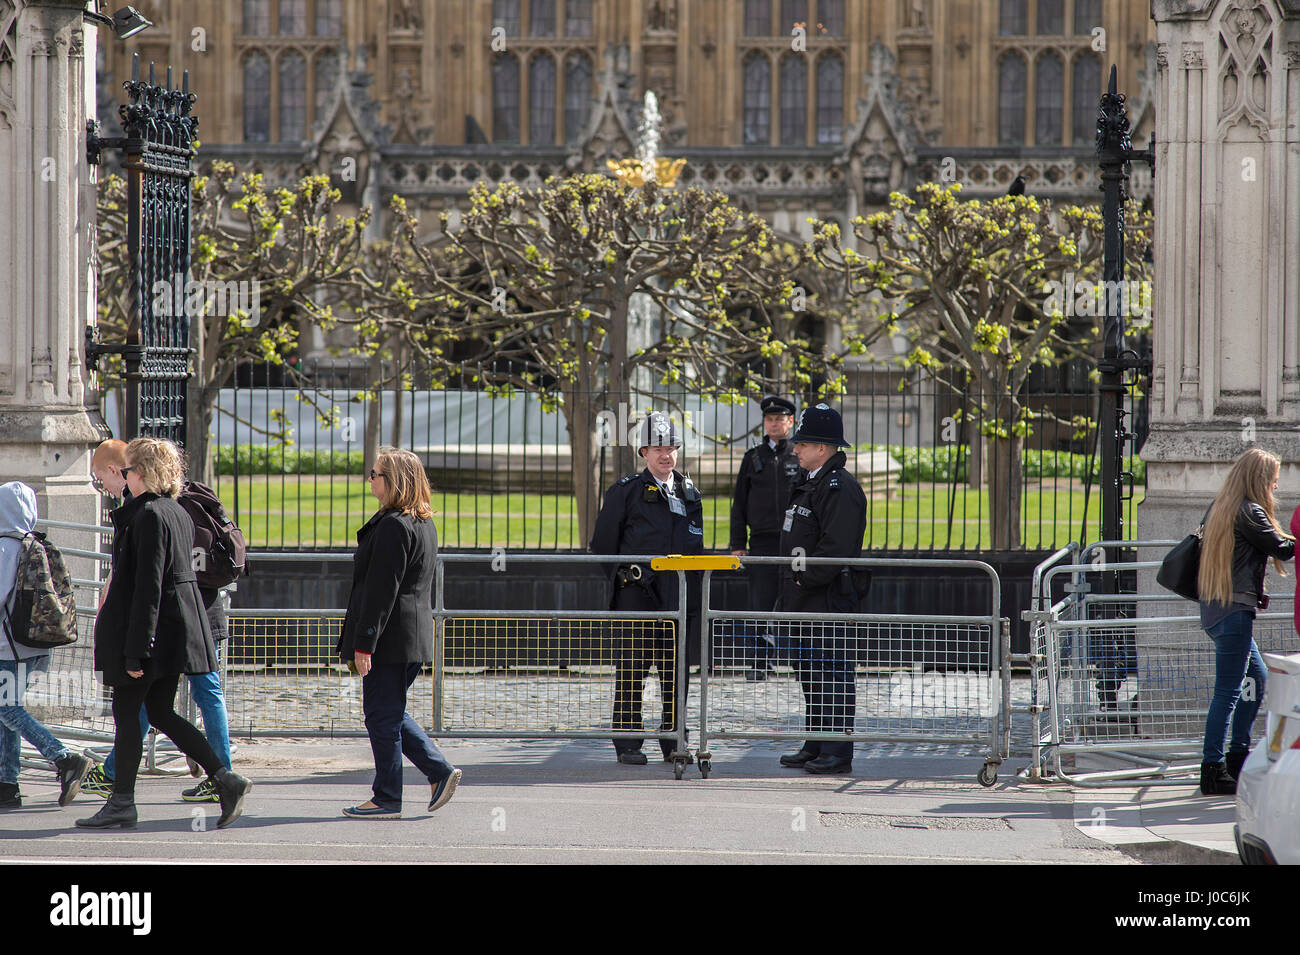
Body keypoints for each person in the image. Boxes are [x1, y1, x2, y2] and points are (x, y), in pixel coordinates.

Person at [76, 437, 252, 830]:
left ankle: (122, 799)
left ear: (141, 474)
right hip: (170, 633)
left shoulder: (151, 515)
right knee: (159, 712)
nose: (125, 476)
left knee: (128, 715)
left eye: (130, 470)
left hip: (151, 636)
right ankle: (225, 778)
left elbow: (148, 588)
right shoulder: (171, 511)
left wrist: (137, 650)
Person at [336, 447, 460, 819]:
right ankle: (437, 771)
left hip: (389, 639)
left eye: (375, 474)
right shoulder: (420, 521)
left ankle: (388, 795)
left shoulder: (394, 525)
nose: (370, 479)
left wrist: (364, 643)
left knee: (380, 716)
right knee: (389, 713)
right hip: (410, 637)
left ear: (394, 481)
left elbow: (381, 591)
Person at [589, 412, 704, 765]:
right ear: (643, 452)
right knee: (633, 668)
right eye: (658, 449)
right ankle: (627, 743)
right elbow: (603, 545)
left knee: (676, 668)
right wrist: (626, 581)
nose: (666, 455)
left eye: (671, 448)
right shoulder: (626, 491)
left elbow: (695, 548)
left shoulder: (689, 492)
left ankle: (674, 741)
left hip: (677, 593)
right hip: (636, 592)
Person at [1196, 447, 1294, 796]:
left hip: (1217, 609)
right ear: (1259, 479)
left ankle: (1235, 757)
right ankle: (1213, 768)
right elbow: (1282, 549)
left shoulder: (1221, 507)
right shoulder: (1250, 512)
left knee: (1257, 676)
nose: (1275, 489)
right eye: (1273, 482)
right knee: (1228, 691)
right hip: (1234, 613)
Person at [776, 404, 868, 775]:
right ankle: (816, 741)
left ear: (824, 448)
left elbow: (835, 547)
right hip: (803, 597)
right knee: (811, 673)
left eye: (803, 443)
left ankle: (837, 750)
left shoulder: (839, 487)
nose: (795, 449)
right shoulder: (811, 482)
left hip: (826, 596)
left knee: (832, 673)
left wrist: (804, 578)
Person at [0, 482, 93, 810]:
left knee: (6, 709)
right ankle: (7, 784)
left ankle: (64, 757)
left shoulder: (5, 547)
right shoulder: (35, 544)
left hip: (6, 647)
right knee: (8, 712)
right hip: (34, 645)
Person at [729, 395, 802, 680]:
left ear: (790, 421)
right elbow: (739, 504)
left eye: (779, 419)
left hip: (793, 543)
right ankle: (760, 663)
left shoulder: (799, 454)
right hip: (761, 542)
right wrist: (738, 544)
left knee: (795, 604)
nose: (774, 424)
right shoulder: (752, 458)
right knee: (760, 606)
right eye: (769, 419)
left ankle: (800, 663)